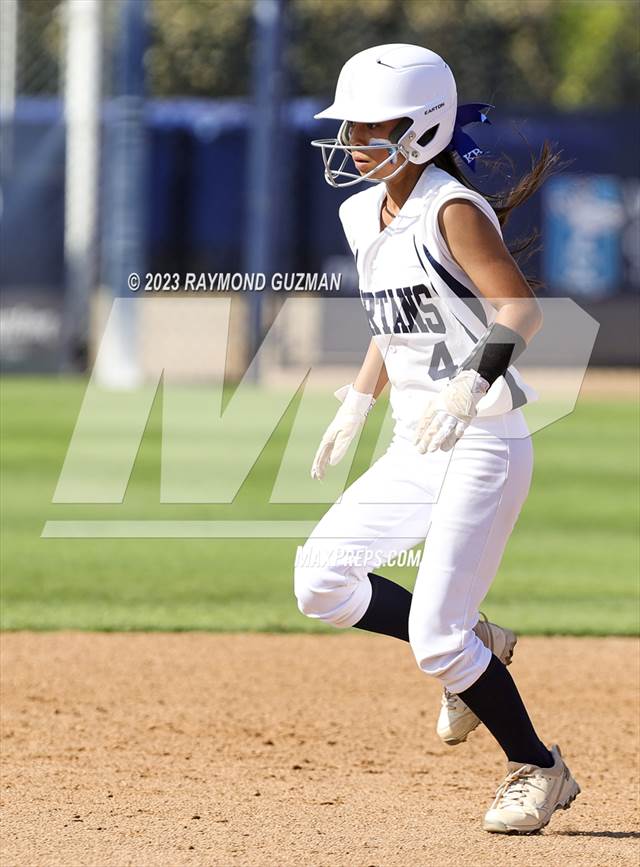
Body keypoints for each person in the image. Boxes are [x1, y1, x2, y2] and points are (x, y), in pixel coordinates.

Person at [295, 44, 580, 835]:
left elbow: (520, 312)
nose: (350, 138)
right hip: (416, 438)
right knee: (320, 580)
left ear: (421, 130)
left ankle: (540, 766)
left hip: (483, 439)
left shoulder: (451, 208)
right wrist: (357, 400)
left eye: (368, 125)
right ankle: (479, 638)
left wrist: (469, 384)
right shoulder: (363, 212)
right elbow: (397, 320)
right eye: (346, 123)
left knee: (435, 639)